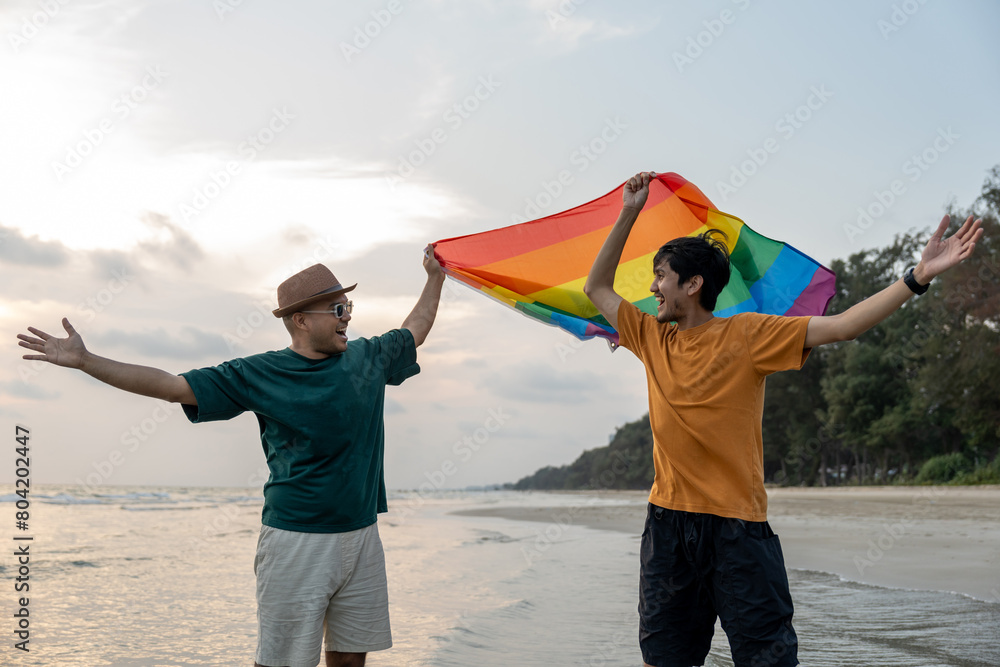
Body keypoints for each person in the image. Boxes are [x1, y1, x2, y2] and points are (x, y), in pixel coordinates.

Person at [583, 171, 983, 667]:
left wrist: (917, 277)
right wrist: (628, 210)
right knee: (664, 659)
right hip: (668, 527)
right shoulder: (650, 337)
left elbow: (843, 327)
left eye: (661, 275)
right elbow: (594, 285)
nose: (653, 287)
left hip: (737, 531)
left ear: (693, 283)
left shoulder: (748, 335)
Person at [17, 247, 446, 667]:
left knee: (352, 657)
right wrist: (86, 361)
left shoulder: (368, 357)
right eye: (337, 309)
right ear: (301, 320)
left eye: (347, 305)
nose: (348, 315)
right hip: (297, 541)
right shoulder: (257, 373)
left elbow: (416, 329)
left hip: (362, 535)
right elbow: (171, 386)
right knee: (285, 662)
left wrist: (434, 278)